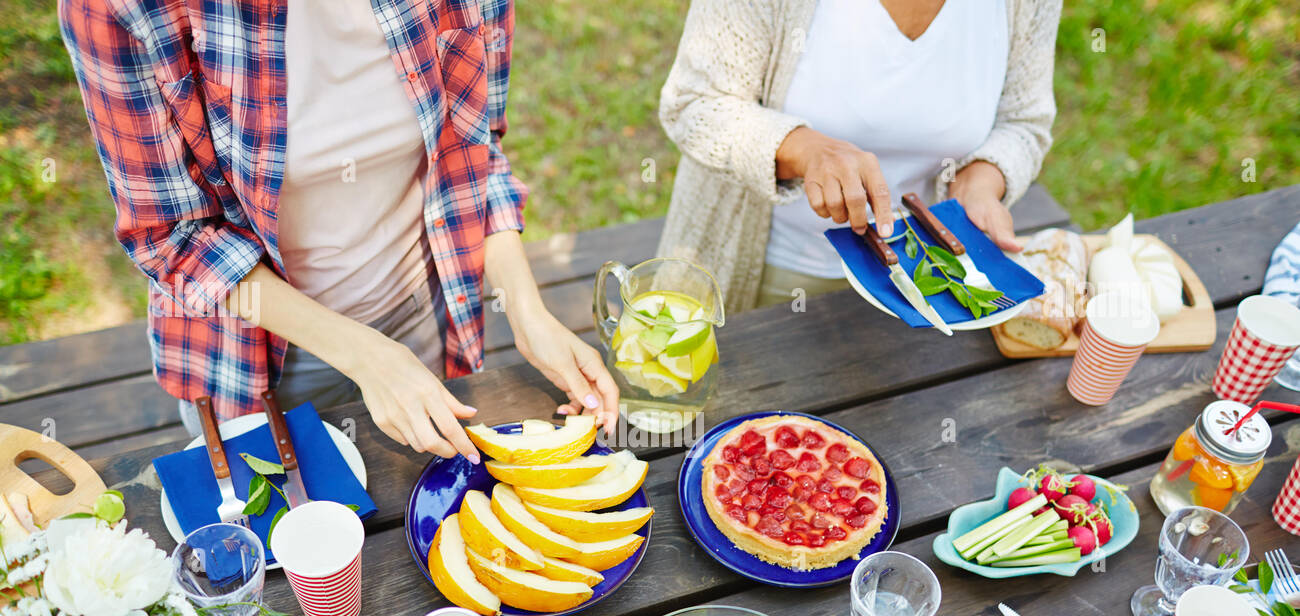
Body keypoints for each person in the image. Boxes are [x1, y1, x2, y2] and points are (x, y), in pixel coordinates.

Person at [59, 0, 619, 462]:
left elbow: (473, 155)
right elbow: (174, 239)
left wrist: (526, 312)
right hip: (259, 359)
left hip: (426, 318)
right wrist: (365, 354)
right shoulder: (119, 8)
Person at [656, 0, 1062, 311]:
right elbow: (695, 103)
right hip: (761, 275)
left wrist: (980, 181)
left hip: (921, 286)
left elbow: (1024, 121)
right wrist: (805, 150)